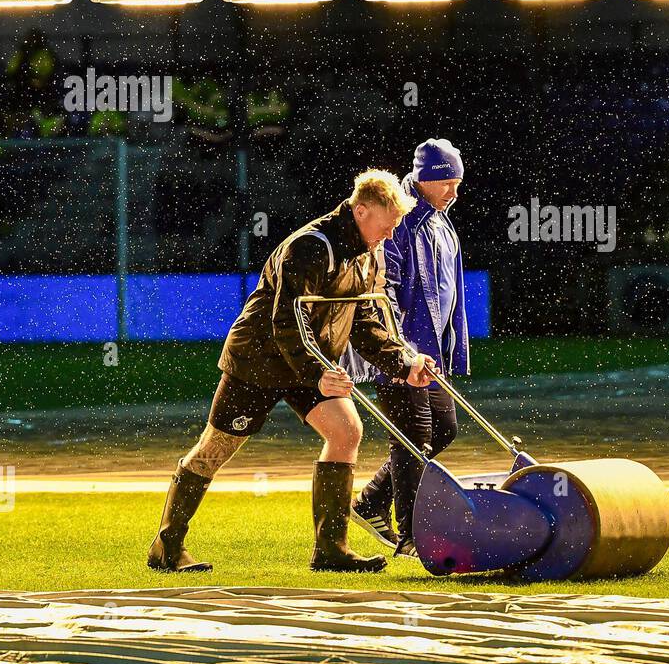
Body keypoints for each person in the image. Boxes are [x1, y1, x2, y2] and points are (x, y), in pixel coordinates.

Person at [147, 168, 437, 574]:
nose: (390, 236)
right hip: (259, 361)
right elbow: (287, 320)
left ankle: (331, 550)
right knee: (214, 451)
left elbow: (367, 321)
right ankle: (167, 546)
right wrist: (319, 371)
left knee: (347, 431)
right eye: (387, 226)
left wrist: (404, 364)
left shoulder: (370, 254)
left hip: (308, 364)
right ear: (362, 210)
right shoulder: (310, 247)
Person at [348, 139, 469, 557]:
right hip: (401, 353)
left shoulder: (440, 220)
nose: (453, 192)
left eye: (457, 183)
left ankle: (369, 501)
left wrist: (454, 349)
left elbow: (452, 294)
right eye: (446, 183)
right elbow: (387, 290)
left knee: (443, 429)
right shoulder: (400, 219)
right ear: (424, 180)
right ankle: (411, 537)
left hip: (431, 352)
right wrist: (398, 352)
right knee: (413, 437)